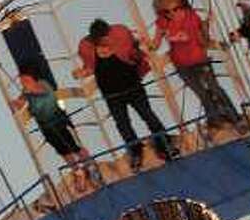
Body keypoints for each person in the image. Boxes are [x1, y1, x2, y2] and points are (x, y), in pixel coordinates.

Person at [76, 18, 177, 171]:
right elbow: (91, 68)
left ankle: (164, 144)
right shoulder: (88, 49)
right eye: (98, 41)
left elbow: (135, 55)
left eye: (104, 38)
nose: (102, 44)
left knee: (148, 115)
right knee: (123, 125)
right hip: (112, 95)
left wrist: (139, 51)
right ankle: (135, 151)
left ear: (109, 33)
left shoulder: (121, 38)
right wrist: (81, 73)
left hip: (133, 87)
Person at [150, 0, 242, 129]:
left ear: (179, 2)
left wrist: (206, 29)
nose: (171, 12)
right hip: (181, 65)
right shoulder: (162, 21)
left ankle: (236, 118)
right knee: (202, 94)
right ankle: (216, 121)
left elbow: (203, 41)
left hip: (199, 59)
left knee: (215, 89)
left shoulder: (191, 16)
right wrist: (147, 46)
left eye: (174, 8)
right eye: (166, 10)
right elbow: (155, 44)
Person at [12, 63, 96, 191]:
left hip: (59, 123)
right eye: (22, 80)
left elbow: (41, 92)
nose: (23, 82)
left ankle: (91, 166)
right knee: (63, 151)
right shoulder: (26, 91)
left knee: (75, 146)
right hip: (46, 128)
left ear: (32, 78)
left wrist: (30, 90)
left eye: (25, 79)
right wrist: (16, 104)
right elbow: (21, 102)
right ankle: (78, 171)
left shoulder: (43, 84)